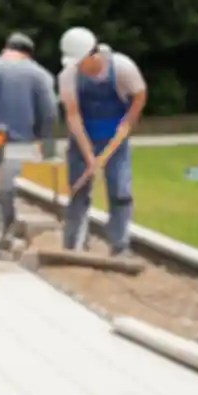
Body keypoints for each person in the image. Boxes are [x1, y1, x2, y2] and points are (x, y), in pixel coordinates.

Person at [58, 26, 148, 255]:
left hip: (115, 140)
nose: (77, 66)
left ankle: (119, 246)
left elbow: (139, 95)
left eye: (80, 61)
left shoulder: (122, 67)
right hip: (82, 140)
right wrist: (89, 155)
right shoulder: (68, 75)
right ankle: (73, 246)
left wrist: (127, 124)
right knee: (78, 193)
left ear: (93, 54)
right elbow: (73, 115)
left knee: (120, 192)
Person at [0, 32, 58, 245]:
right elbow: (50, 112)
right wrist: (47, 146)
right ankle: (9, 230)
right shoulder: (41, 75)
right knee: (13, 187)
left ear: (6, 49)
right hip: (23, 142)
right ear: (29, 54)